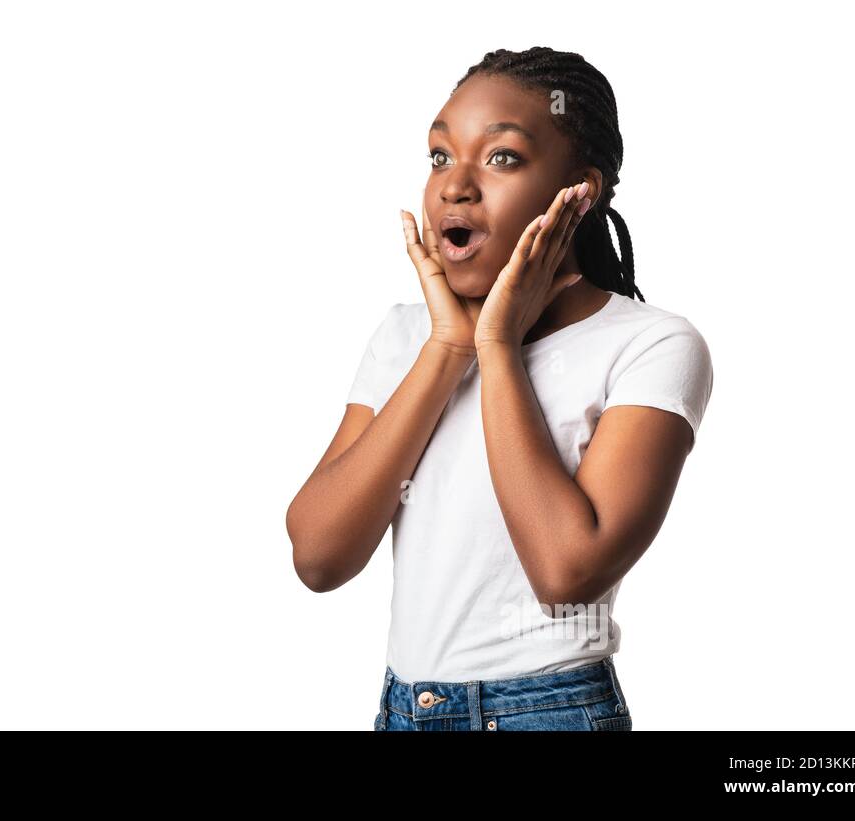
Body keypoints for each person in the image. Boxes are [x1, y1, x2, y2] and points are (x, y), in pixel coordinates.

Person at [285, 47, 714, 731]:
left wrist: (497, 348)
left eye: (501, 157)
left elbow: (566, 573)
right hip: (404, 708)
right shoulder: (404, 338)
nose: (454, 185)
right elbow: (318, 555)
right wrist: (448, 348)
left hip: (548, 711)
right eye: (438, 156)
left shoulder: (650, 346)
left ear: (579, 191)